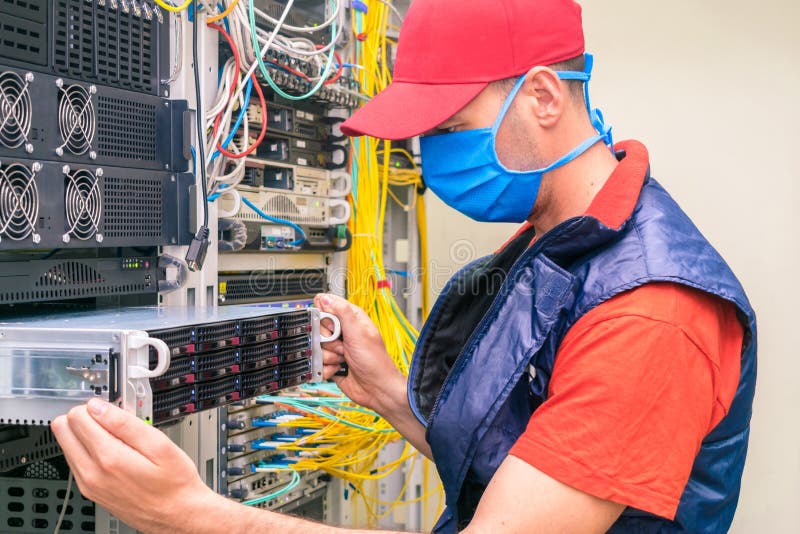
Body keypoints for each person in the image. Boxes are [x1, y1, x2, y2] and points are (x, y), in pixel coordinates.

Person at [51, 0, 757, 532]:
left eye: (448, 130)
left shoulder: (652, 310)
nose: (432, 160)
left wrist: (194, 513)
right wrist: (391, 392)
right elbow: (517, 464)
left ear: (542, 97)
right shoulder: (563, 240)